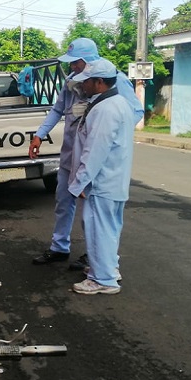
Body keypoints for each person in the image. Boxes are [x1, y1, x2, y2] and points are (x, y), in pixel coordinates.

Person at [29, 38, 143, 269]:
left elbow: (136, 111)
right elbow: (58, 109)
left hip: (94, 155)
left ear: (89, 60)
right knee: (63, 201)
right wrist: (40, 134)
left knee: (93, 212)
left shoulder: (113, 80)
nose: (72, 67)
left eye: (76, 62)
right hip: (71, 151)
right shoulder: (72, 81)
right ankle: (59, 247)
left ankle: (96, 257)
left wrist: (108, 133)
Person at [67, 58, 135, 295]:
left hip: (102, 181)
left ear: (98, 82)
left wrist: (80, 182)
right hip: (113, 179)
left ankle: (102, 279)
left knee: (97, 228)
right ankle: (108, 269)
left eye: (86, 82)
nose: (82, 86)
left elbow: (94, 150)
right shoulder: (119, 103)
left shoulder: (105, 109)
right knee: (109, 228)